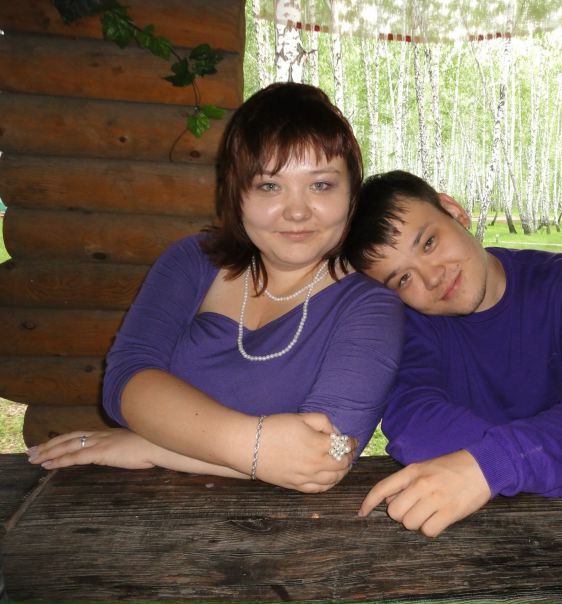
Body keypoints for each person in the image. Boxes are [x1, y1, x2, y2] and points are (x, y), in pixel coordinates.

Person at [27, 83, 404, 493]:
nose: (297, 212)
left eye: (321, 185)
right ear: (235, 192)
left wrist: (153, 447)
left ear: (351, 195)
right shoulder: (192, 260)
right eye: (269, 185)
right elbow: (127, 378)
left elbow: (324, 459)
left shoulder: (371, 307)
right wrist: (256, 447)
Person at [341, 170, 562, 536]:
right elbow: (414, 424)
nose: (432, 277)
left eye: (429, 243)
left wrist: (486, 466)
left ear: (453, 211)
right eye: (403, 279)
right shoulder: (411, 322)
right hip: (471, 536)